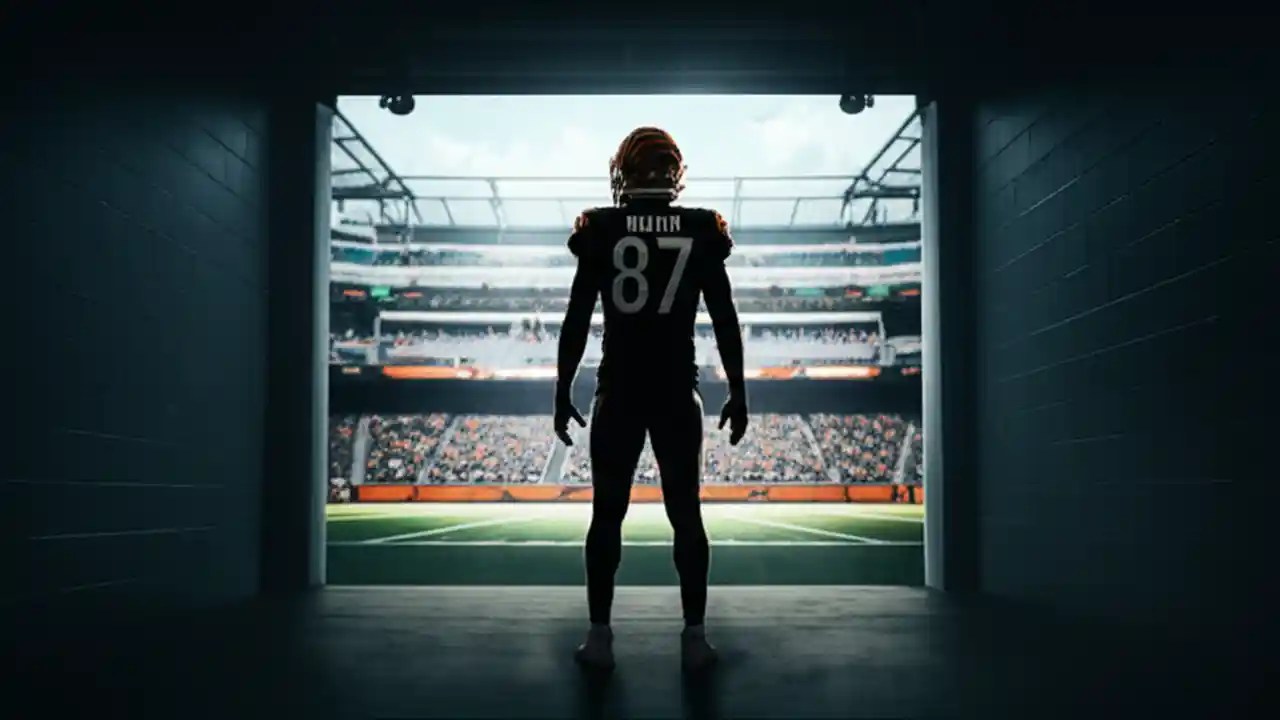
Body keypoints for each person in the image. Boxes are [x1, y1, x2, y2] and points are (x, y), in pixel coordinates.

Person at [553, 126, 749, 673]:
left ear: (623, 170)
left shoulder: (601, 227)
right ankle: (694, 636)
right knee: (686, 515)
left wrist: (563, 385)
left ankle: (600, 636)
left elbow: (577, 316)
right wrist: (738, 387)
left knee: (606, 515)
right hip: (673, 389)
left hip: (619, 390)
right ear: (675, 172)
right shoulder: (701, 227)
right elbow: (724, 316)